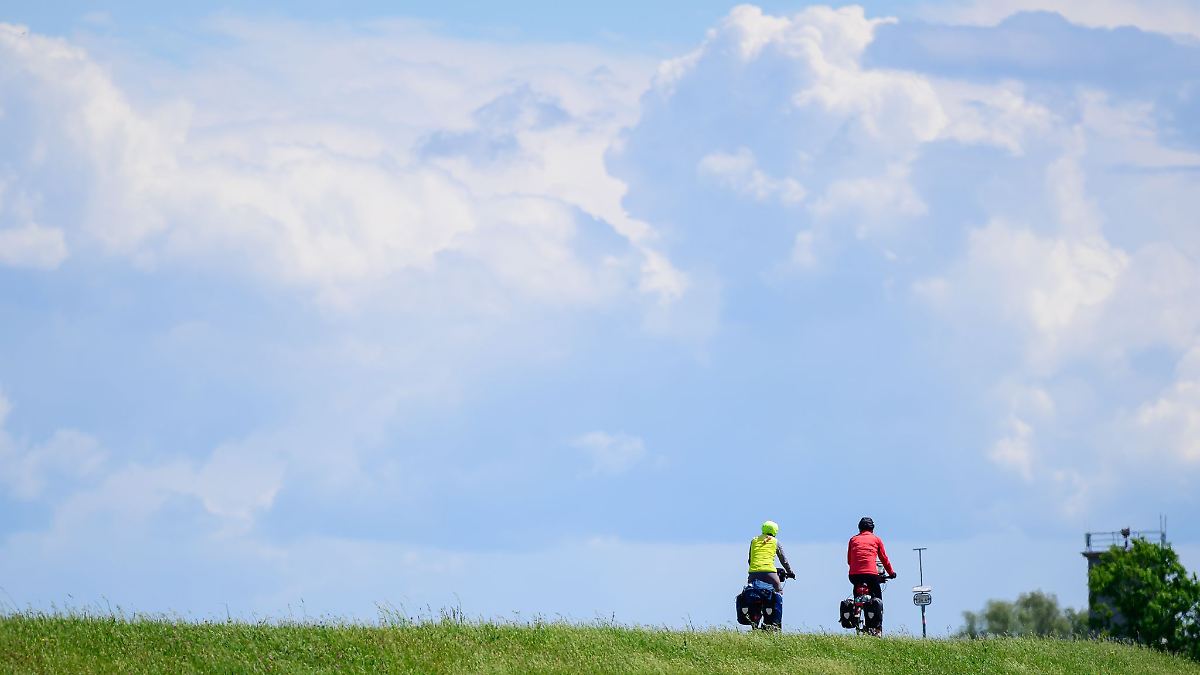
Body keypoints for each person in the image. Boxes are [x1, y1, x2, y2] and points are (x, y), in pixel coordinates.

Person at [847, 516, 896, 601]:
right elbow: (884, 559)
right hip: (870, 575)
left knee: (856, 587)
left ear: (859, 528)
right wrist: (891, 573)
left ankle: (855, 609)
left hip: (854, 575)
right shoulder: (876, 540)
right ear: (872, 529)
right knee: (876, 594)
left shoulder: (853, 540)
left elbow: (849, 561)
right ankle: (878, 612)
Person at [748, 520, 795, 592]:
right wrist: (790, 572)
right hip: (769, 573)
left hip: (753, 574)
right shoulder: (775, 542)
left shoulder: (754, 540)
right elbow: (783, 560)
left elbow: (750, 560)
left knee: (749, 592)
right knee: (779, 592)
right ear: (775, 531)